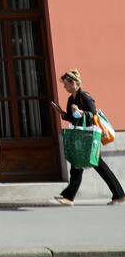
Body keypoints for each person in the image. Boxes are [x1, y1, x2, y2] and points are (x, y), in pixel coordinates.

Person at [50, 68, 124, 205]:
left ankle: (118, 194)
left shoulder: (85, 97)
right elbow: (73, 119)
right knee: (78, 165)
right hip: (80, 136)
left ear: (73, 83)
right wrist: (61, 112)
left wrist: (81, 112)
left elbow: (93, 114)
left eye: (66, 83)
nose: (64, 86)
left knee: (95, 166)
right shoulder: (70, 99)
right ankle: (69, 197)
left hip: (90, 136)